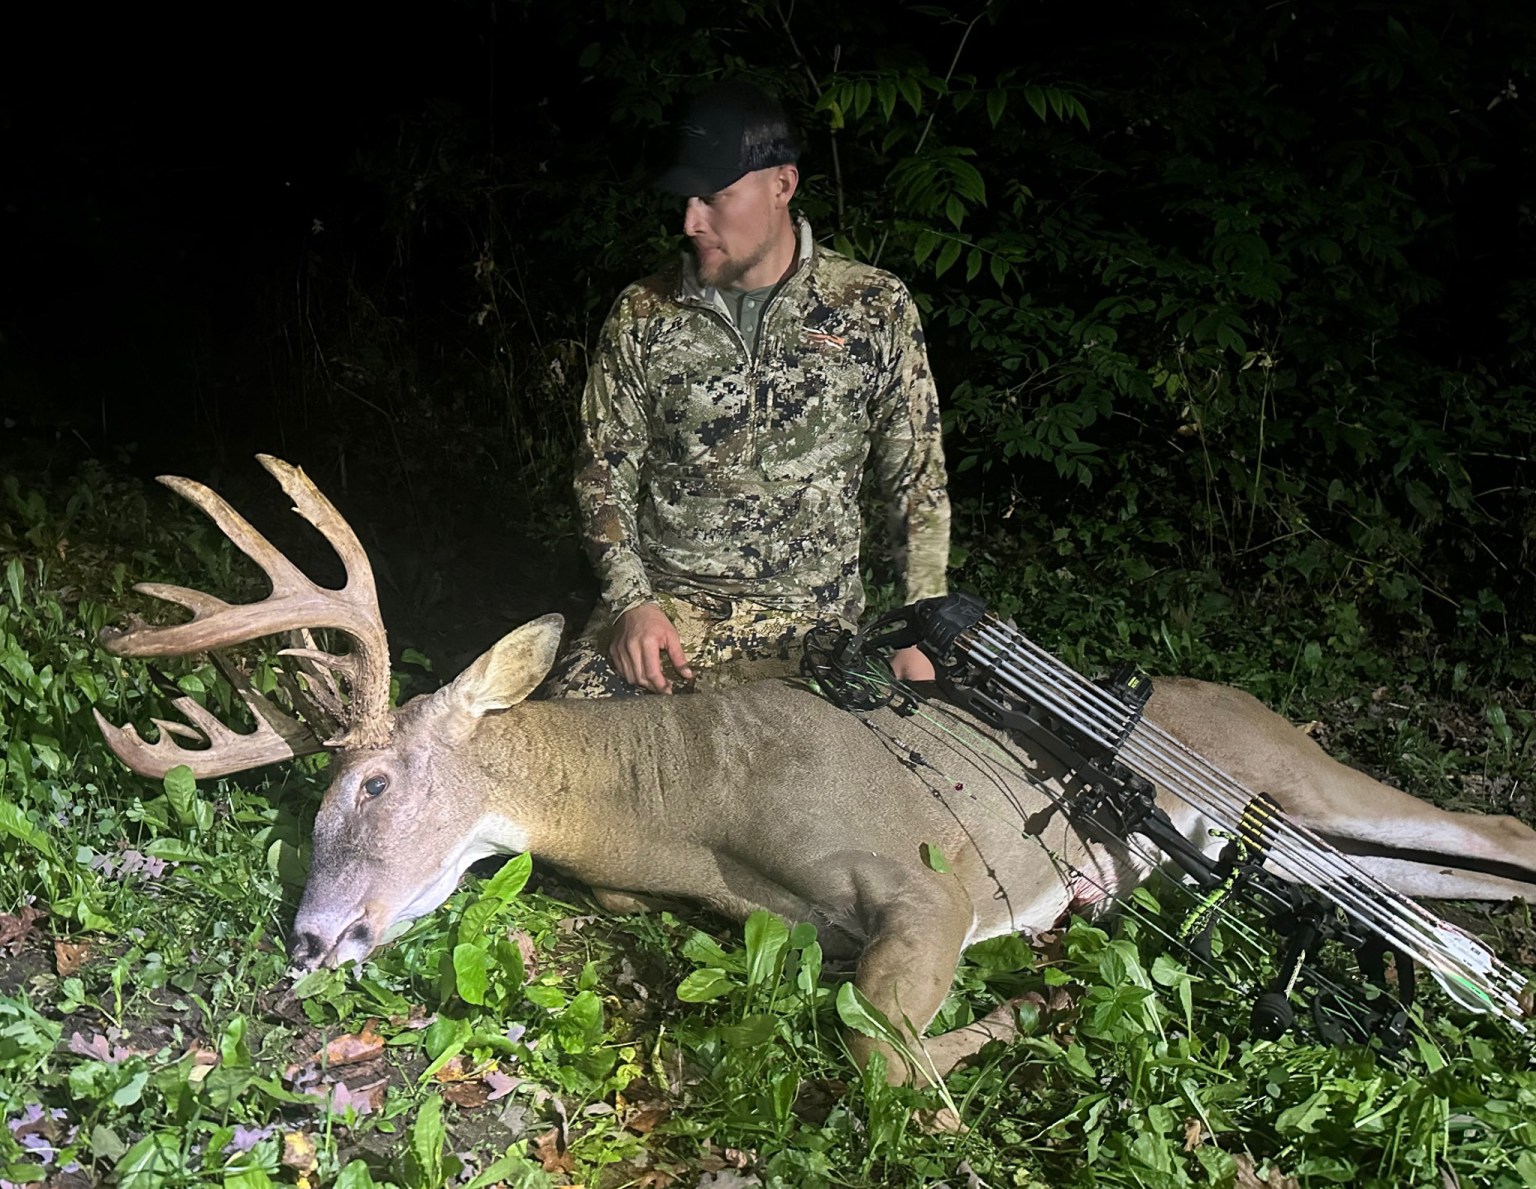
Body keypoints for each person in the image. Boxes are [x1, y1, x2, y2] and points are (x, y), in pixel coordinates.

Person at [545, 80, 950, 698]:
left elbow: (915, 477)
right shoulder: (644, 314)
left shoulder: (873, 306)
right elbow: (602, 469)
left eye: (713, 199)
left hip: (814, 625)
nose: (690, 222)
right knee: (572, 746)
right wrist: (631, 604)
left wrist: (919, 629)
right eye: (685, 201)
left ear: (781, 185)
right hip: (670, 613)